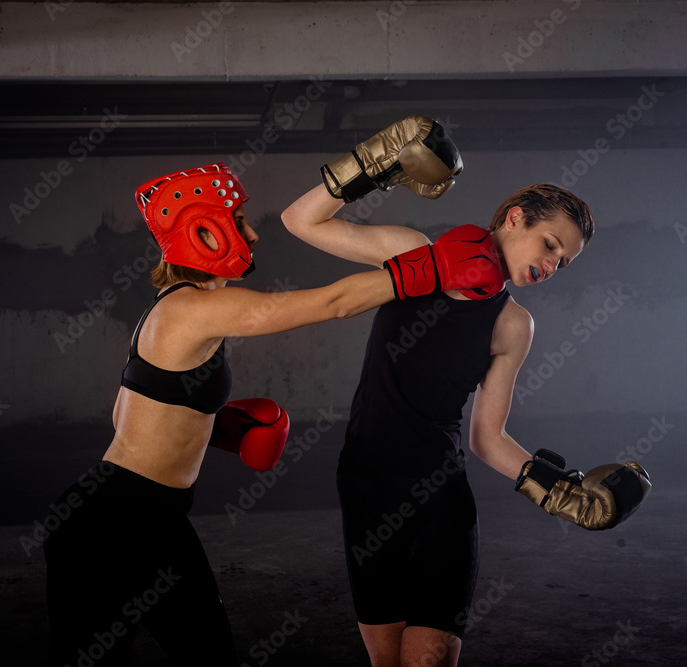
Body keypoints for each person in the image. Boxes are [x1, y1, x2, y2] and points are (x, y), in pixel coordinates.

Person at [43, 156, 494, 666]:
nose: (252, 234)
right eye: (238, 222)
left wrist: (215, 425)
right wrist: (432, 267)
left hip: (154, 520)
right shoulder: (194, 309)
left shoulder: (169, 306)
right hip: (110, 525)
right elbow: (332, 303)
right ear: (204, 232)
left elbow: (124, 414)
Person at [282, 116, 652, 667]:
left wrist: (559, 493)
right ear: (515, 217)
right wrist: (371, 162)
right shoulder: (413, 251)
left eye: (563, 262)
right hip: (366, 486)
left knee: (430, 660)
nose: (551, 265)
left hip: (440, 495)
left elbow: (487, 438)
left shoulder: (513, 324)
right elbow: (299, 220)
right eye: (550, 245)